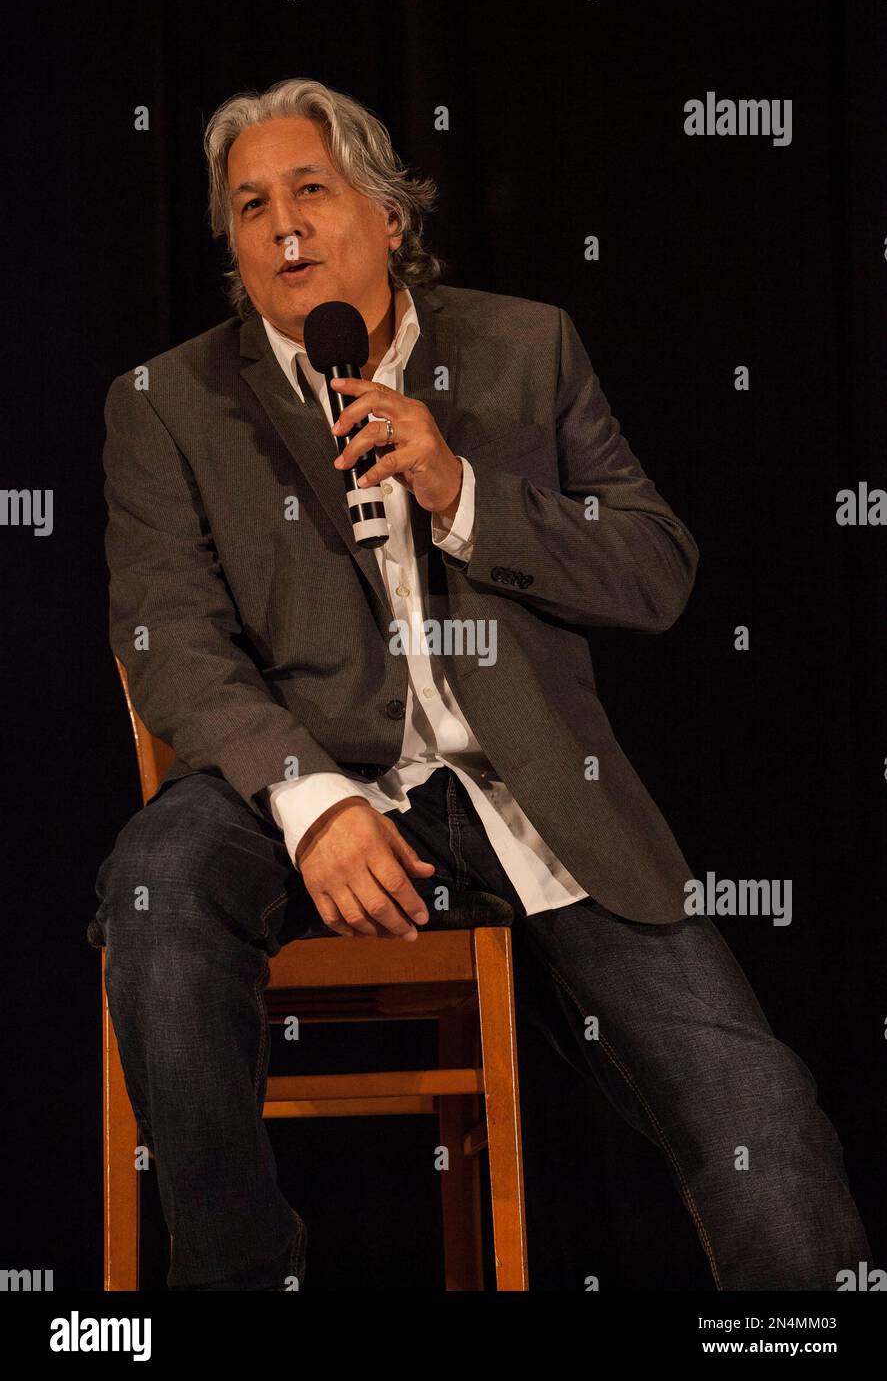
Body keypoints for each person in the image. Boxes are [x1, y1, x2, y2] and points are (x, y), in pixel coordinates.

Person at [88, 77, 872, 1291]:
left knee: (757, 1119)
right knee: (156, 882)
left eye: (310, 189)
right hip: (292, 782)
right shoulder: (166, 403)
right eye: (250, 206)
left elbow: (655, 569)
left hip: (529, 795)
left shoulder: (524, 346)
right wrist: (313, 799)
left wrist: (464, 494)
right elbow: (169, 639)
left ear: (387, 216)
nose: (282, 226)